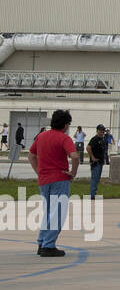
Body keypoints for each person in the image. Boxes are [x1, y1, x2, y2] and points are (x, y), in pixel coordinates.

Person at [28, 110, 78, 256]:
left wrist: (39, 172)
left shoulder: (41, 137)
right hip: (59, 179)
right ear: (65, 125)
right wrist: (73, 173)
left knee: (48, 212)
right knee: (57, 213)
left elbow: (31, 156)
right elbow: (74, 156)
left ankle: (42, 242)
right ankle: (48, 246)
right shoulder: (64, 138)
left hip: (44, 180)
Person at [87, 124, 109, 200]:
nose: (102, 132)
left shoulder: (102, 139)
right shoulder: (95, 139)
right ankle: (92, 194)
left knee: (97, 178)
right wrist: (92, 157)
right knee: (94, 178)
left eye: (103, 130)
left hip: (100, 161)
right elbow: (88, 147)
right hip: (95, 162)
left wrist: (104, 159)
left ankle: (94, 193)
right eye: (101, 130)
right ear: (97, 131)